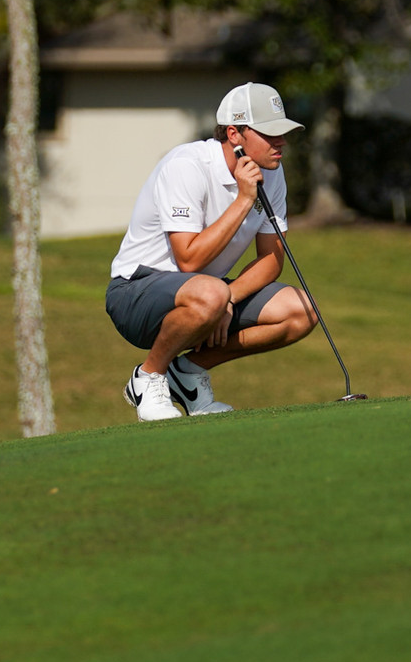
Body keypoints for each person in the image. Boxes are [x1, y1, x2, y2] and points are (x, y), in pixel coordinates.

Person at [104, 82, 319, 420]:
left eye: (283, 132)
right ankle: (148, 377)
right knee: (211, 293)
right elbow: (189, 258)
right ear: (234, 134)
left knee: (301, 310)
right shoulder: (186, 166)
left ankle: (186, 372)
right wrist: (244, 200)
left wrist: (229, 298)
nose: (281, 142)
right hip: (134, 293)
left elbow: (272, 259)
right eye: (269, 134)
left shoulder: (273, 175)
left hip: (208, 294)